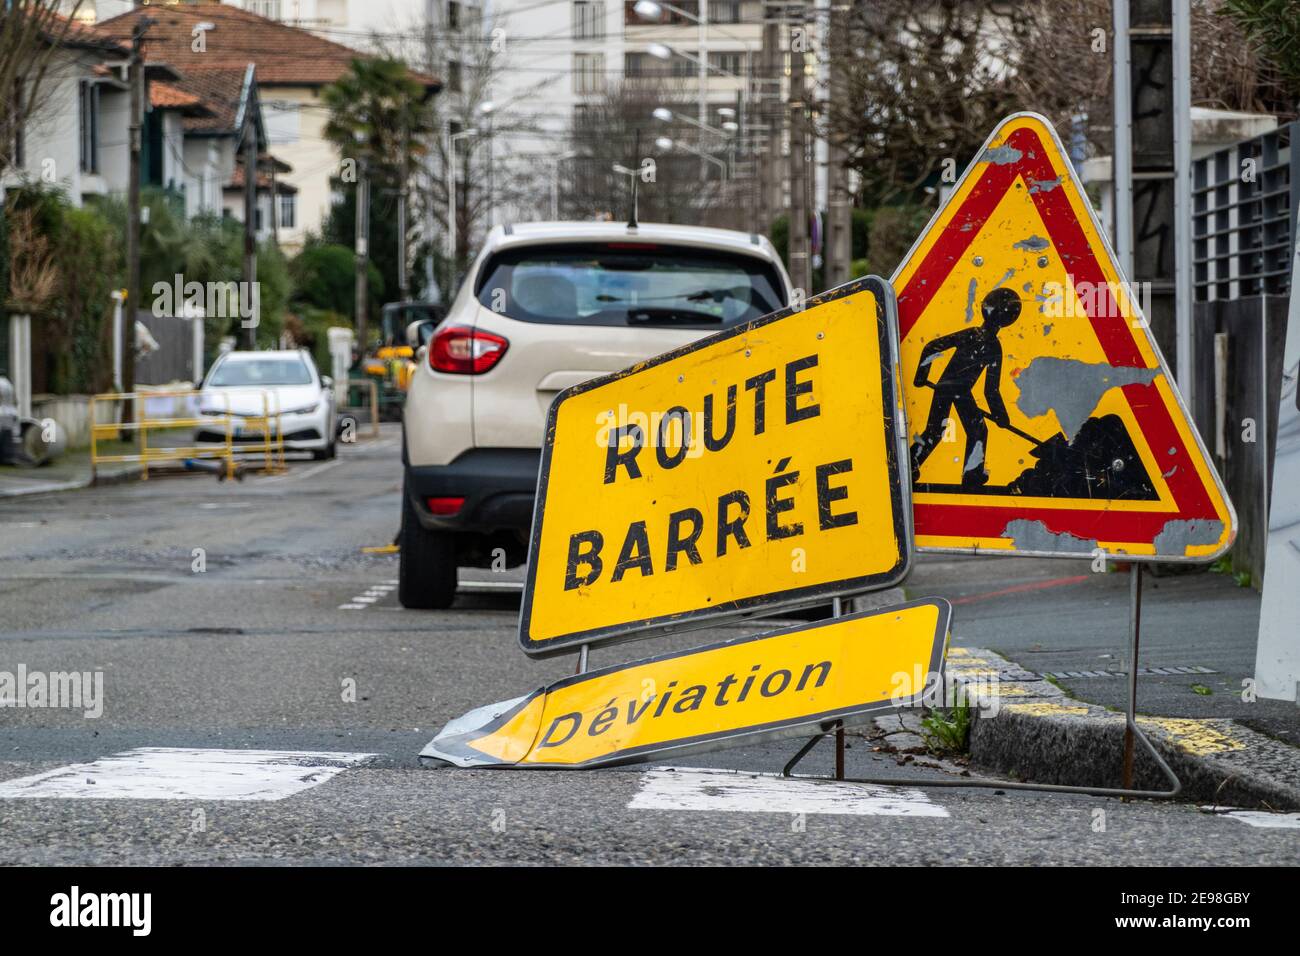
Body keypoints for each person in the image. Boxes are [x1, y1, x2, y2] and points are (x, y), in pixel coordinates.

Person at [910, 287, 1022, 488]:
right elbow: (991, 390)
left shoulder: (976, 337)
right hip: (956, 390)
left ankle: (910, 464)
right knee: (976, 431)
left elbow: (932, 347)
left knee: (937, 431)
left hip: (949, 388)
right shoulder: (990, 345)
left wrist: (1001, 416)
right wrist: (1001, 416)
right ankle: (970, 475)